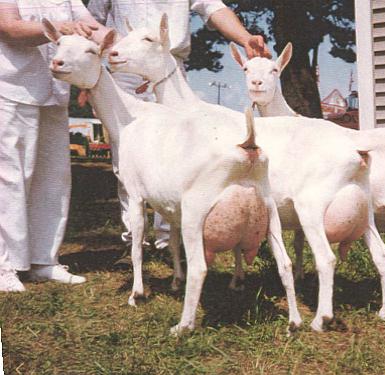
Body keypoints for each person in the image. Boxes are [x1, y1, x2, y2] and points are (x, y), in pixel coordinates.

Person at [87, 0, 271, 250]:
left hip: (168, 68)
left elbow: (212, 7)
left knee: (179, 155)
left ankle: (168, 240)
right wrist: (92, 71)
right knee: (127, 158)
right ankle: (134, 239)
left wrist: (246, 37)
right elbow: (91, 21)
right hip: (124, 66)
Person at [0, 0, 107, 291]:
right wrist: (60, 28)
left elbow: (94, 28)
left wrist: (131, 45)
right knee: (10, 178)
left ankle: (44, 261)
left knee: (54, 179)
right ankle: (4, 265)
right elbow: (9, 28)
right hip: (11, 89)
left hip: (55, 90)